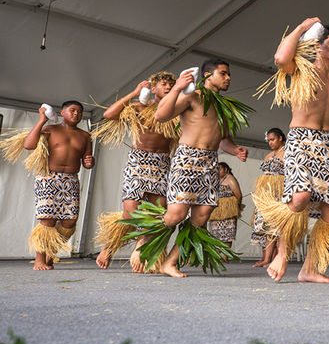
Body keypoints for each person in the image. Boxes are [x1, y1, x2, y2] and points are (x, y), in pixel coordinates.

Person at [253, 18, 329, 283]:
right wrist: (300, 28)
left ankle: (310, 268)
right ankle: (283, 253)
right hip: (300, 140)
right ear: (318, 47)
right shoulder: (301, 70)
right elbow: (280, 56)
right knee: (300, 197)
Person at [129, 59, 249, 278]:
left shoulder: (225, 107)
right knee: (176, 215)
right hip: (188, 160)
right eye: (223, 74)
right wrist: (176, 88)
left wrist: (235, 150)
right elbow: (161, 115)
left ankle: (170, 262)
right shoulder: (193, 96)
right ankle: (144, 240)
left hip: (210, 163)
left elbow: (222, 139)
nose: (228, 78)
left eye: (229, 74)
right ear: (207, 76)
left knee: (201, 217)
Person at [91, 72, 178, 272]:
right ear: (153, 88)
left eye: (170, 86)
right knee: (130, 215)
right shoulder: (140, 107)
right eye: (163, 84)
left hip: (162, 163)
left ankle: (144, 248)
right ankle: (110, 246)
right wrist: (134, 93)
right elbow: (109, 115)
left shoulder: (175, 112)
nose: (167, 88)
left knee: (158, 213)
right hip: (139, 161)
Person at [25, 102, 94, 270]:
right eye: (72, 110)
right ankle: (39, 260)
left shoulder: (85, 136)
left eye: (79, 112)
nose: (76, 114)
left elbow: (87, 162)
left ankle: (50, 251)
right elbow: (29, 145)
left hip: (71, 179)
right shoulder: (50, 129)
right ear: (62, 112)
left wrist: (89, 162)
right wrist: (42, 120)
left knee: (70, 221)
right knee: (48, 219)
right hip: (48, 177)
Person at [251, 128, 286, 268]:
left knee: (277, 227)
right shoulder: (268, 155)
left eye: (273, 139)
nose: (270, 142)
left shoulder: (288, 153)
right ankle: (266, 258)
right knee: (266, 226)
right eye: (269, 140)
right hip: (266, 194)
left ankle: (275, 258)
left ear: (280, 138)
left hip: (279, 193)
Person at [207, 162, 243, 248]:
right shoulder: (215, 179)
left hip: (228, 210)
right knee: (215, 233)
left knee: (228, 233)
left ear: (226, 169)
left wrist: (234, 207)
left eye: (219, 169)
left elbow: (238, 195)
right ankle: (218, 253)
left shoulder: (230, 179)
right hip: (216, 210)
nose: (217, 171)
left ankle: (225, 254)